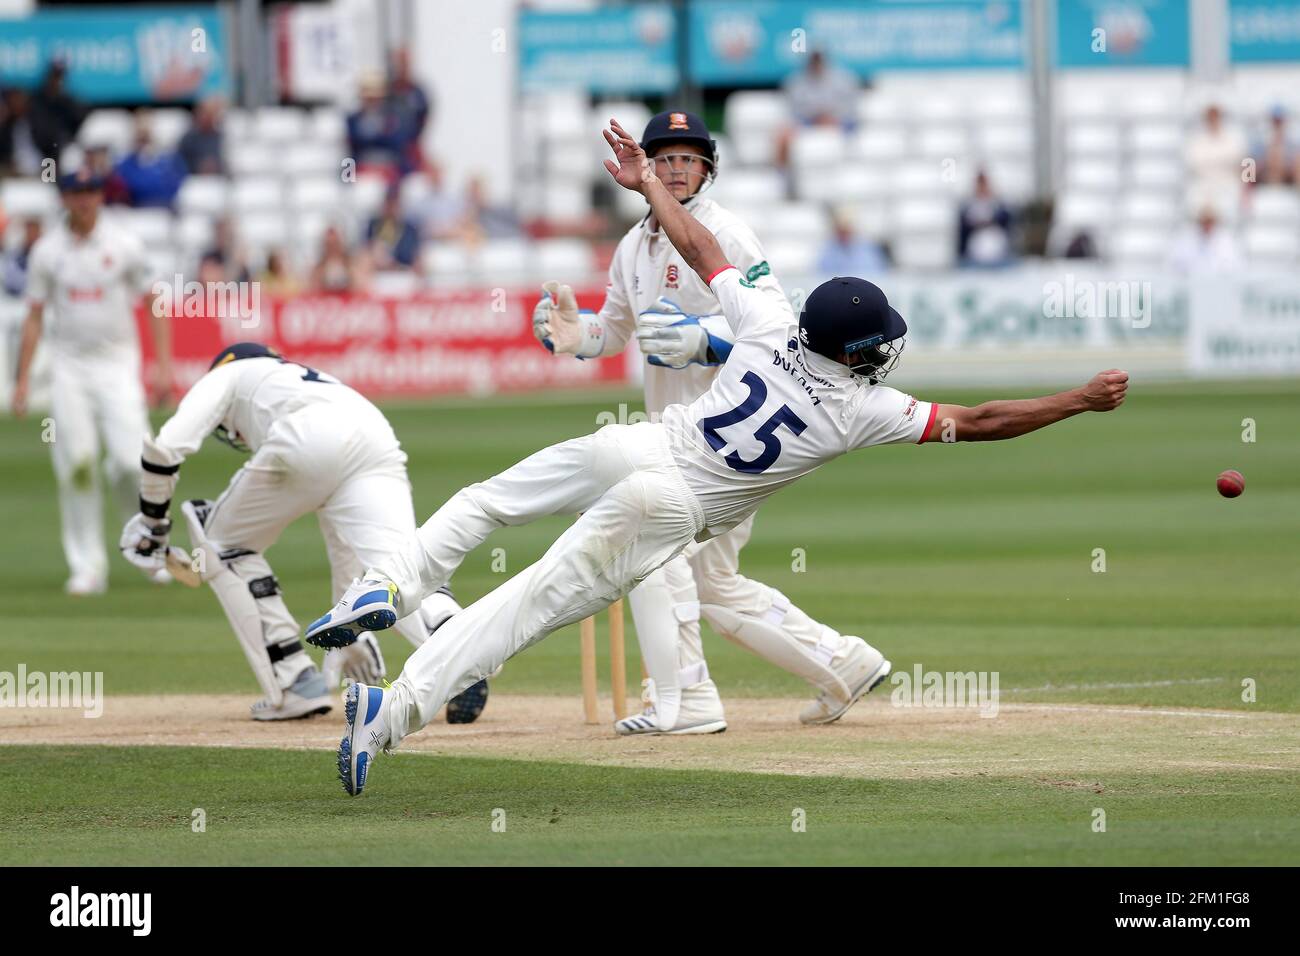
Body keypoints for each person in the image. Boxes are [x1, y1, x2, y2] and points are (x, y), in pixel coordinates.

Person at [305, 119, 1130, 795]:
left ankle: (394, 581)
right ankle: (390, 714)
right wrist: (1078, 401)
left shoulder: (770, 320)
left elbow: (698, 246)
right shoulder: (860, 409)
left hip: (639, 441)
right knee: (526, 603)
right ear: (854, 352)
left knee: (490, 498)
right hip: (669, 505)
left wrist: (645, 183)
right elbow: (983, 420)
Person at [531, 110, 881, 736]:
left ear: (708, 169)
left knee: (659, 561)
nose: (676, 169)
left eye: (689, 159)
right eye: (665, 158)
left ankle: (688, 697)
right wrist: (572, 334)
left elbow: (778, 323)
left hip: (729, 439)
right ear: (647, 166)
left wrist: (708, 343)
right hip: (669, 436)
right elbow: (614, 330)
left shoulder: (727, 233)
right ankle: (841, 663)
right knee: (712, 583)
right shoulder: (633, 246)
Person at [118, 342, 490, 723]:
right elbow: (342, 545)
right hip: (374, 434)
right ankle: (461, 655)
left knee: (221, 545)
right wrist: (349, 632)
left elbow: (165, 448)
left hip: (306, 437)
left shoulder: (228, 373)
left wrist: (153, 522)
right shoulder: (306, 381)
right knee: (398, 566)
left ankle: (294, 680)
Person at [10, 168, 174, 594]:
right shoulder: (48, 251)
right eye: (75, 193)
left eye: (91, 192)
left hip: (118, 366)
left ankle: (146, 549)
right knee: (78, 466)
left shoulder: (124, 245)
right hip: (69, 369)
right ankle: (87, 566)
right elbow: (33, 317)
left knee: (131, 462)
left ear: (101, 196)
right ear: (64, 198)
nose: (84, 201)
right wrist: (22, 381)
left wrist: (163, 366)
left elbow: (155, 303)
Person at [1186, 104, 1247, 219]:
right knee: (1195, 202)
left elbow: (1245, 164)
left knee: (1231, 207)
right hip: (1203, 185)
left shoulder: (1234, 139)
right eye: (1210, 117)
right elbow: (1194, 164)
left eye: (1216, 117)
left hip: (1228, 185)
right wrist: (1223, 161)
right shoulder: (1197, 139)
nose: (1213, 120)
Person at [114, 111, 187, 208]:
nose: (144, 136)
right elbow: (128, 187)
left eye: (146, 133)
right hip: (135, 212)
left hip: (165, 210)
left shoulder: (169, 159)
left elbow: (176, 184)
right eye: (140, 133)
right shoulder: (124, 163)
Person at [958, 170, 1015, 268]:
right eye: (980, 184)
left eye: (984, 184)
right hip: (976, 242)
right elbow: (965, 226)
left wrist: (991, 221)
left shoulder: (997, 202)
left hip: (995, 239)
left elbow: (1005, 219)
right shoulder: (969, 203)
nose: (982, 187)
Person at [1165, 206, 1243, 275]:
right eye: (1205, 221)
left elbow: (1234, 266)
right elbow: (1176, 264)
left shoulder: (1226, 240)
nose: (1207, 225)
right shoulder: (1187, 239)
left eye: (1210, 221)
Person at [817, 208, 887, 277]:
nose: (844, 234)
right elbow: (823, 274)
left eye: (846, 229)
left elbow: (878, 273)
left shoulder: (868, 249)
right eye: (841, 230)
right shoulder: (829, 251)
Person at [366, 188, 421, 269]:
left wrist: (393, 263)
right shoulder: (375, 225)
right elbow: (368, 248)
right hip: (377, 270)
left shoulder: (410, 230)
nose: (392, 210)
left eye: (395, 205)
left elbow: (409, 255)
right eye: (389, 205)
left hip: (402, 271)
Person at [178, 96, 226, 175]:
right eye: (204, 114)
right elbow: (180, 162)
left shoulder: (220, 137)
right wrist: (199, 167)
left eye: (210, 115)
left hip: (217, 179)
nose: (207, 118)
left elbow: (225, 161)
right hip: (193, 178)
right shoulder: (188, 138)